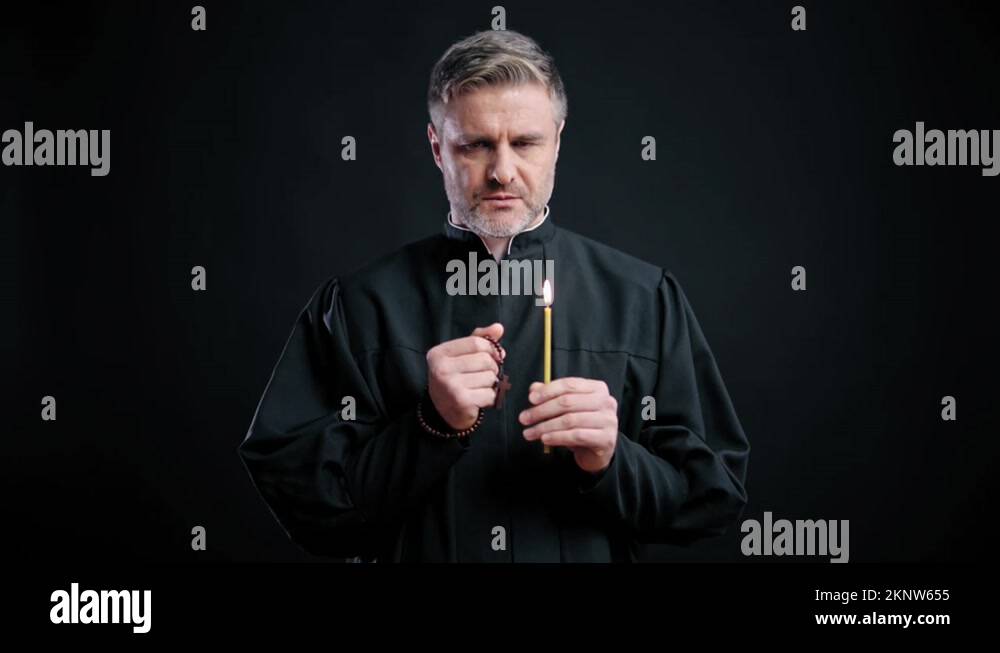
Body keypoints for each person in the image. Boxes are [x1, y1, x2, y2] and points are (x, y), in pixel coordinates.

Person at [239, 29, 749, 562]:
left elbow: (711, 502)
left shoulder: (645, 298)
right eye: (476, 144)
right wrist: (430, 425)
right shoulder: (357, 306)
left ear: (558, 140)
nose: (503, 171)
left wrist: (611, 459)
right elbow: (308, 510)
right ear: (438, 148)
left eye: (525, 143)